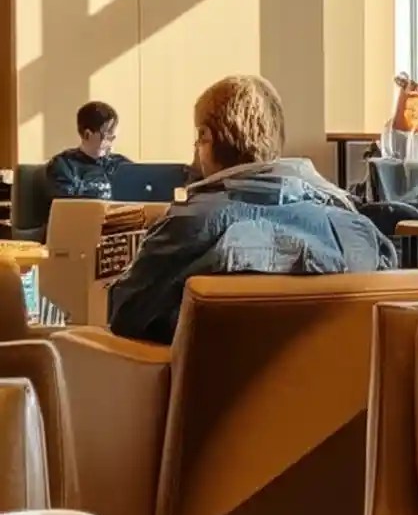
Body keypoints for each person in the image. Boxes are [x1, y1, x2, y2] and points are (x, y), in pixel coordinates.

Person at [108, 75, 396, 344]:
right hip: (337, 395)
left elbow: (124, 315)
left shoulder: (186, 225)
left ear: (206, 138)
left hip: (213, 395)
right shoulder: (356, 229)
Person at [45, 101, 131, 199]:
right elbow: (68, 207)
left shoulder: (121, 165)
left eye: (114, 131)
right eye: (108, 133)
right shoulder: (65, 166)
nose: (113, 138)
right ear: (88, 134)